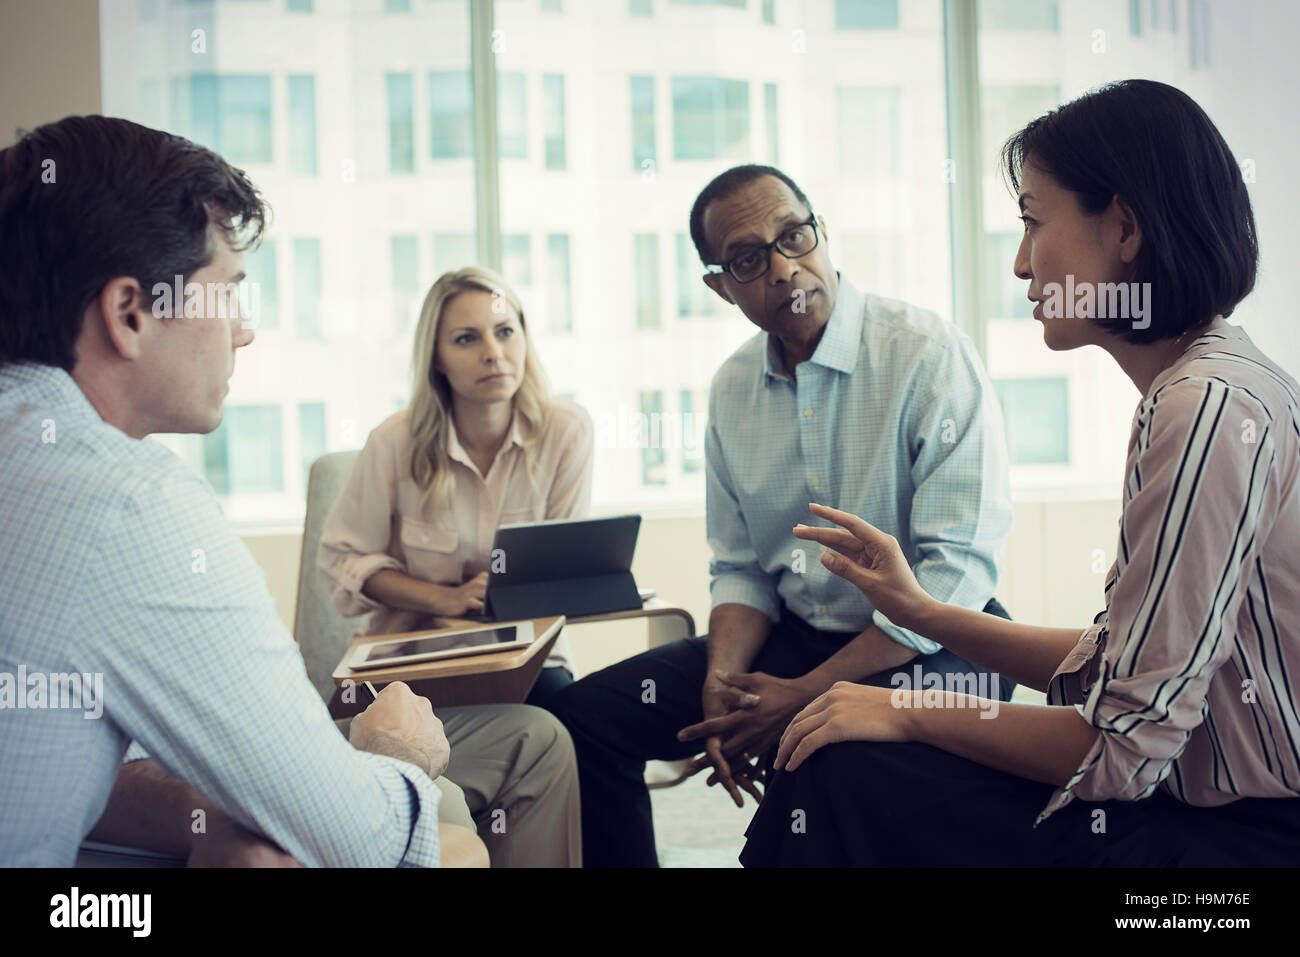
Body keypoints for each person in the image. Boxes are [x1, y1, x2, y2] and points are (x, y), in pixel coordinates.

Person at [743, 79, 1300, 867]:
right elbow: (1124, 667)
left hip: (1241, 844)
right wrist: (923, 611)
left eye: (1033, 222)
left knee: (845, 764)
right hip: (1212, 810)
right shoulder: (1214, 386)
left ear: (1125, 229)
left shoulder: (1200, 411)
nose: (1018, 262)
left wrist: (906, 709)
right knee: (845, 753)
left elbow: (1123, 747)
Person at [0, 115, 577, 868]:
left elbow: (63, 759)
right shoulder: (124, 500)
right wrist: (397, 756)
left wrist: (199, 816)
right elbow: (363, 840)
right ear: (130, 313)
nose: (242, 332)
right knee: (455, 847)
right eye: (229, 294)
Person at [550, 163, 1016, 867]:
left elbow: (954, 574)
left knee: (815, 751)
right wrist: (724, 682)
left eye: (795, 235)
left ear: (821, 231)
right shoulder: (733, 389)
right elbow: (741, 568)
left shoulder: (927, 353)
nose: (785, 267)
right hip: (797, 634)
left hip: (939, 640)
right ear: (720, 284)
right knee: (583, 722)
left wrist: (798, 696)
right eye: (749, 257)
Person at [318, 266, 594, 713]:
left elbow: (559, 571)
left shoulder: (567, 431)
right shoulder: (393, 441)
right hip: (409, 657)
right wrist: (444, 598)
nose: (493, 353)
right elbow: (342, 562)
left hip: (524, 655)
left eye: (505, 332)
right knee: (382, 739)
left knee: (577, 725)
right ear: (436, 358)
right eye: (467, 338)